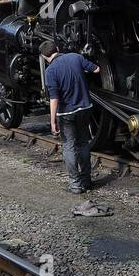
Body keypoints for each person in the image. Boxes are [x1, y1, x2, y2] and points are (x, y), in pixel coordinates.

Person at [39, 41, 100, 193]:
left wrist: (52, 121)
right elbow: (97, 69)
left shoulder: (50, 71)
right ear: (57, 49)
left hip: (66, 113)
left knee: (69, 147)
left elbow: (54, 99)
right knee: (83, 143)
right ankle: (87, 181)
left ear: (44, 57)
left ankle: (75, 184)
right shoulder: (75, 57)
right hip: (85, 107)